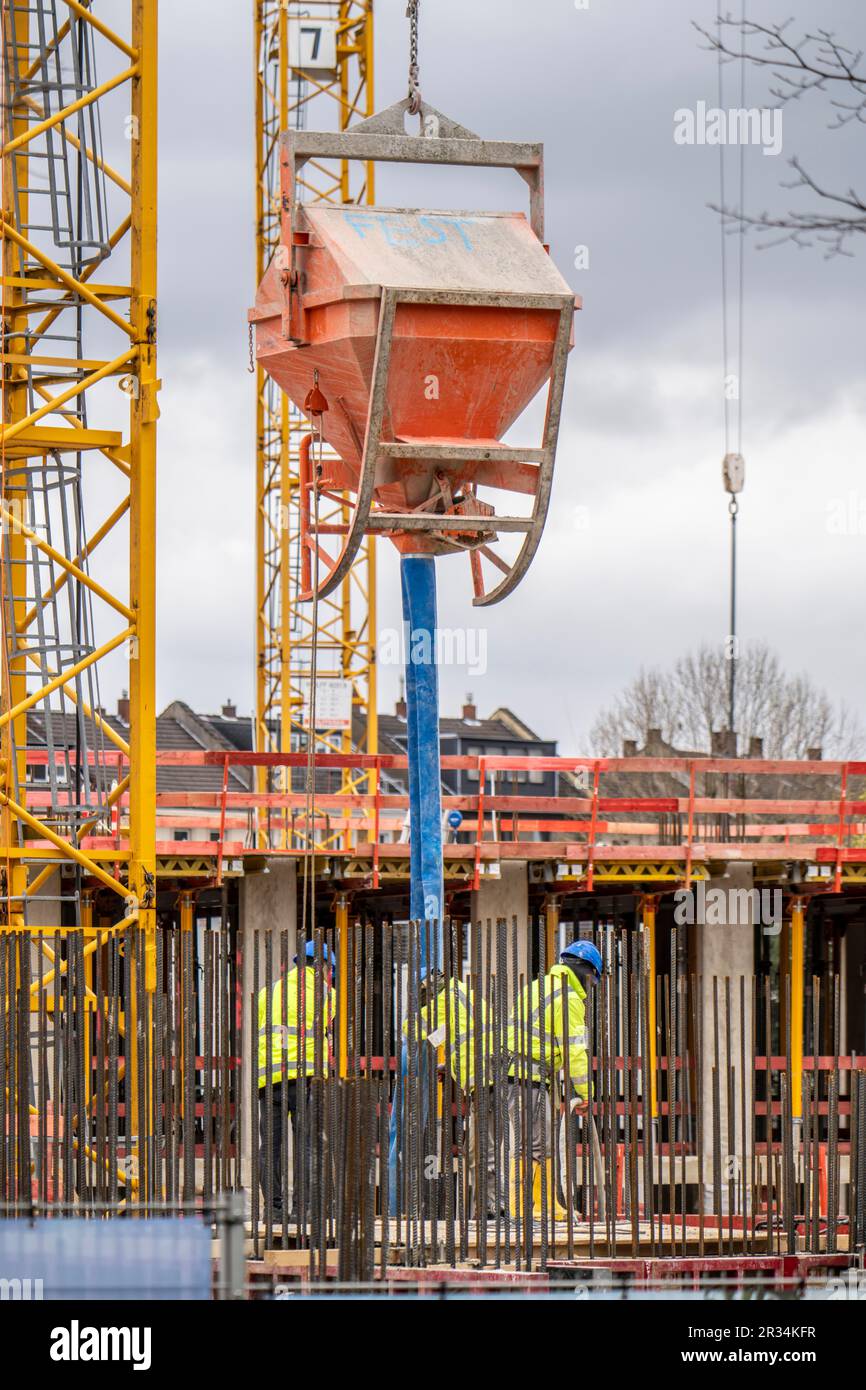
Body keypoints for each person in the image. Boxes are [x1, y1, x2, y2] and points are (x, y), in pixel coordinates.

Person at [505, 939, 603, 1203]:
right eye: (592, 981)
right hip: (530, 1076)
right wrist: (586, 1093)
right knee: (535, 1144)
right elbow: (575, 1052)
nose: (589, 987)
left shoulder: (536, 987)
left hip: (518, 1074)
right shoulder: (569, 997)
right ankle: (526, 1205)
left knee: (540, 1141)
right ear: (585, 971)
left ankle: (543, 1203)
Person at [404, 967, 498, 1216]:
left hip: (486, 1082)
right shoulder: (465, 995)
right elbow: (463, 1038)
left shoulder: (446, 1000)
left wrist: (419, 1007)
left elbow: (411, 1029)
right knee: (477, 1148)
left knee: (481, 1149)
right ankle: (488, 1206)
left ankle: (490, 1209)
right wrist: (450, 1064)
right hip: (490, 1077)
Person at [257, 939, 336, 1222]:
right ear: (320, 965)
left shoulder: (269, 992)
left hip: (271, 1079)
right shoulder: (327, 994)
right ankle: (301, 1209)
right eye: (330, 970)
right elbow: (329, 1022)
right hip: (307, 1080)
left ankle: (274, 1210)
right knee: (307, 1145)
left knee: (271, 1146)